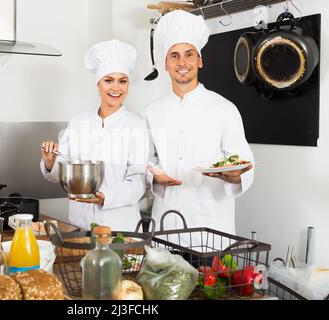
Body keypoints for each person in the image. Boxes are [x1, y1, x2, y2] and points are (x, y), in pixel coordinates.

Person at [143, 10, 255, 239]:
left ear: (200, 60)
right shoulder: (151, 112)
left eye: (189, 54)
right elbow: (145, 161)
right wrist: (153, 176)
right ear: (165, 63)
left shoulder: (225, 109)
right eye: (174, 55)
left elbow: (244, 163)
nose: (182, 62)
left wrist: (236, 176)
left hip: (212, 229)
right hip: (166, 229)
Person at [40, 39, 148, 232]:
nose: (116, 88)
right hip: (80, 225)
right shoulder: (78, 122)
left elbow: (138, 182)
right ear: (98, 84)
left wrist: (105, 196)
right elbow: (60, 174)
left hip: (119, 228)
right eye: (109, 80)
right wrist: (50, 162)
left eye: (122, 81)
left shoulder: (136, 126)